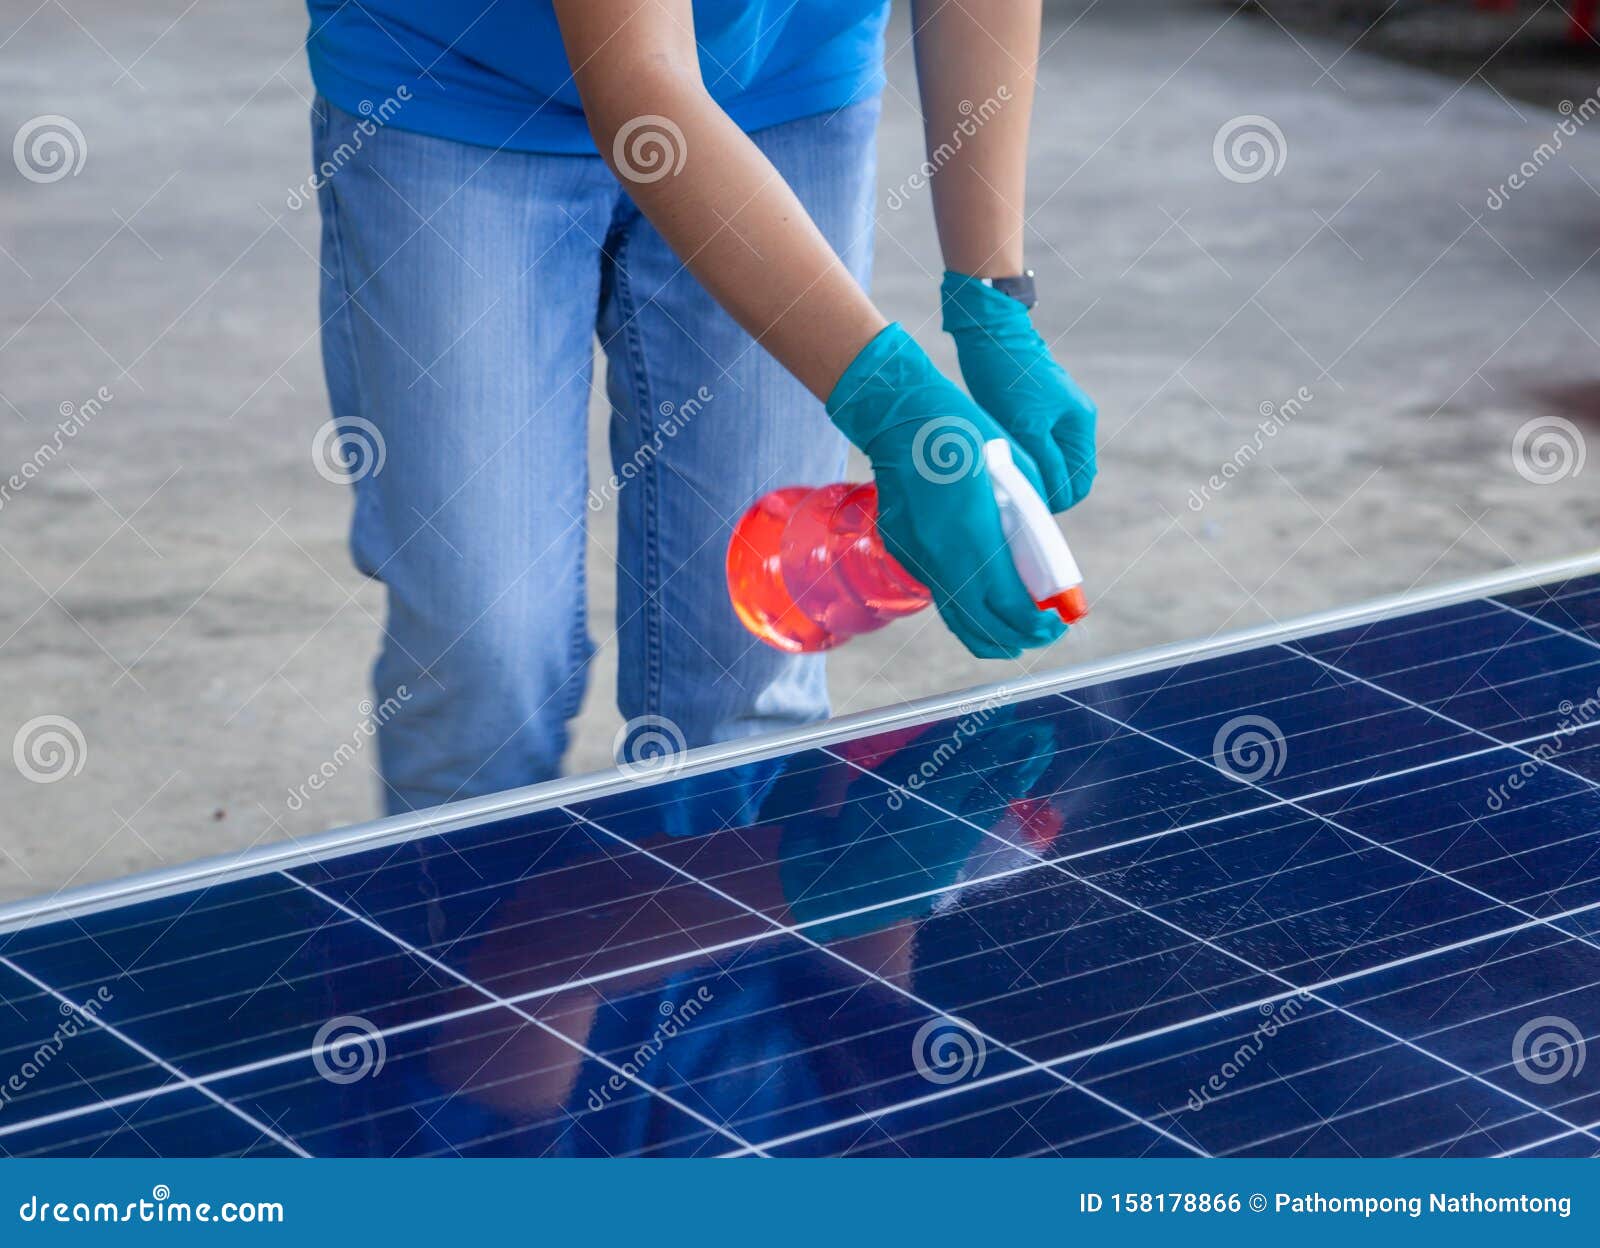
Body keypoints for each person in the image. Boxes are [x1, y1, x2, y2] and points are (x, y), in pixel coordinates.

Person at [303, 0, 1098, 816]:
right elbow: (640, 77)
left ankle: (723, 939)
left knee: (747, 662)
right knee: (484, 658)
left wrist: (991, 300)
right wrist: (895, 401)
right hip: (457, 87)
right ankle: (454, 926)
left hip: (784, 89)